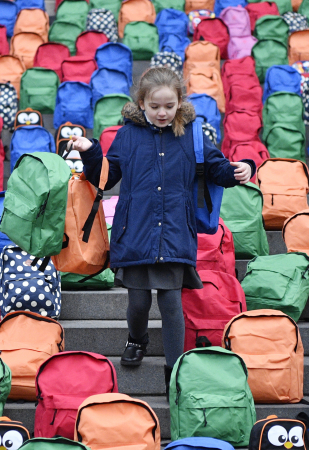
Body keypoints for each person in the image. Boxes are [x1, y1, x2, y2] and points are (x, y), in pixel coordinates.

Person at [68, 67, 254, 388]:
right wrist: (91, 151)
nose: (162, 112)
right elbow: (106, 178)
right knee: (138, 303)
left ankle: (175, 370)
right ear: (142, 103)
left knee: (171, 304)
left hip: (175, 233)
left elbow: (218, 169)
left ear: (180, 102)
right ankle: (136, 339)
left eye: (169, 105)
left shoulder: (193, 134)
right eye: (155, 106)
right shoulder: (127, 135)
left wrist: (243, 168)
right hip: (136, 232)